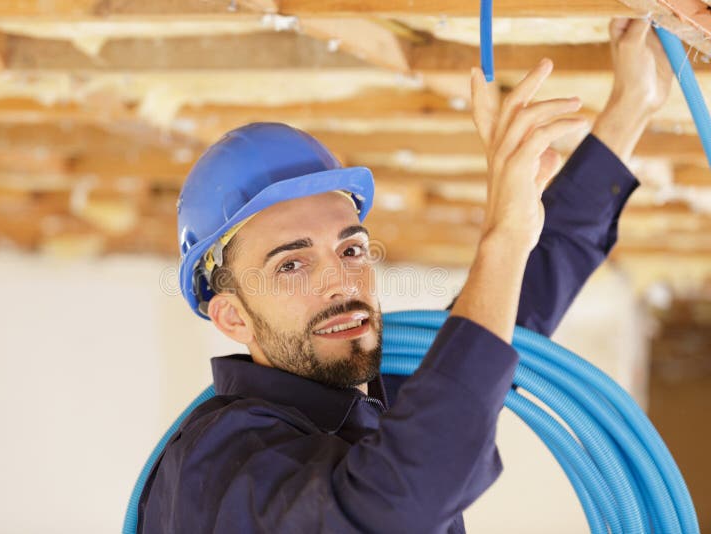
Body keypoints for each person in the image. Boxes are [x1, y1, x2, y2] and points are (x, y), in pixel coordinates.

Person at [138, 18, 671, 533]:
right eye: (292, 264)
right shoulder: (215, 464)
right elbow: (399, 504)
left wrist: (630, 107)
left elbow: (507, 320)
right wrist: (502, 236)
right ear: (232, 316)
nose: (341, 282)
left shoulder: (368, 399)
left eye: (351, 249)